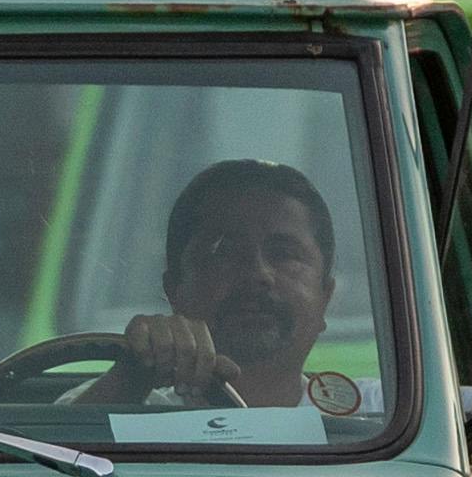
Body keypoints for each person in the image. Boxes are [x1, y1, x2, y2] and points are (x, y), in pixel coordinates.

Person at [96, 160, 344, 408]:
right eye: (224, 252)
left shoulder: (365, 416)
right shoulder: (119, 408)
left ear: (326, 296)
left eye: (284, 254)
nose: (257, 274)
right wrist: (129, 380)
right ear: (174, 290)